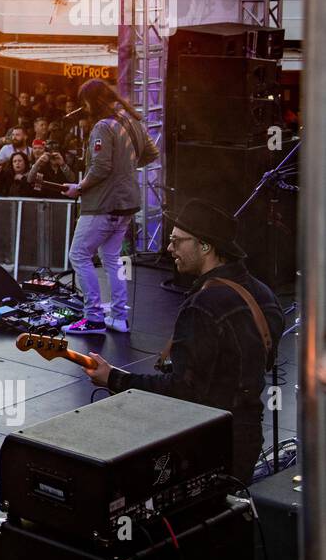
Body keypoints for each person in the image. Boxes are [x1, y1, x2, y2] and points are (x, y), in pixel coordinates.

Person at [83, 200, 284, 484]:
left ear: (205, 246)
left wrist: (113, 378)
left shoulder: (203, 306)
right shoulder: (263, 293)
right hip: (247, 433)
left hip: (209, 440)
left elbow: (184, 390)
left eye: (177, 241)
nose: (169, 249)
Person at [61, 79, 158, 335]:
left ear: (92, 101)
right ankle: (118, 317)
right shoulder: (133, 121)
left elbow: (101, 167)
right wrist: (125, 167)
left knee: (79, 255)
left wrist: (79, 187)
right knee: (111, 258)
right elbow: (152, 153)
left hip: (103, 205)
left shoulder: (103, 127)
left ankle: (93, 318)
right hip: (126, 203)